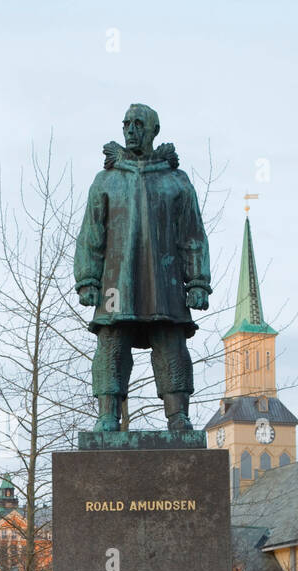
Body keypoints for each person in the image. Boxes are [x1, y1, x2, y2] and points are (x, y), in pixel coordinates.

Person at [74, 103, 212, 432]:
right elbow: (92, 233)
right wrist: (88, 278)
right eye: (127, 124)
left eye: (138, 124)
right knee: (111, 342)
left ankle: (178, 415)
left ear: (153, 130)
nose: (131, 130)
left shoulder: (176, 181)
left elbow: (192, 234)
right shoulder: (106, 181)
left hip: (164, 281)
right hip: (115, 282)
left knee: (171, 342)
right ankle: (108, 414)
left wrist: (197, 281)